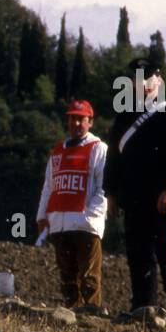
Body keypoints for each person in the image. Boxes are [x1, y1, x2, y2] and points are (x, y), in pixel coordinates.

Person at [102, 57, 166, 325]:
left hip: (161, 196)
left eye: (149, 78)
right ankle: (143, 305)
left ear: (159, 81)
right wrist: (111, 193)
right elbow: (115, 158)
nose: (144, 83)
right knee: (138, 253)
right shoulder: (125, 117)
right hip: (133, 195)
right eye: (139, 78)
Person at [36, 100, 108, 311]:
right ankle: (71, 317)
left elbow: (104, 187)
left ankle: (92, 317)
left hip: (85, 224)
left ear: (90, 122)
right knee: (67, 278)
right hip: (60, 223)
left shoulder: (98, 148)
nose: (76, 123)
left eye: (81, 119)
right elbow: (48, 187)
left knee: (89, 277)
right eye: (72, 118)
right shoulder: (57, 151)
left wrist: (90, 215)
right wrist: (42, 217)